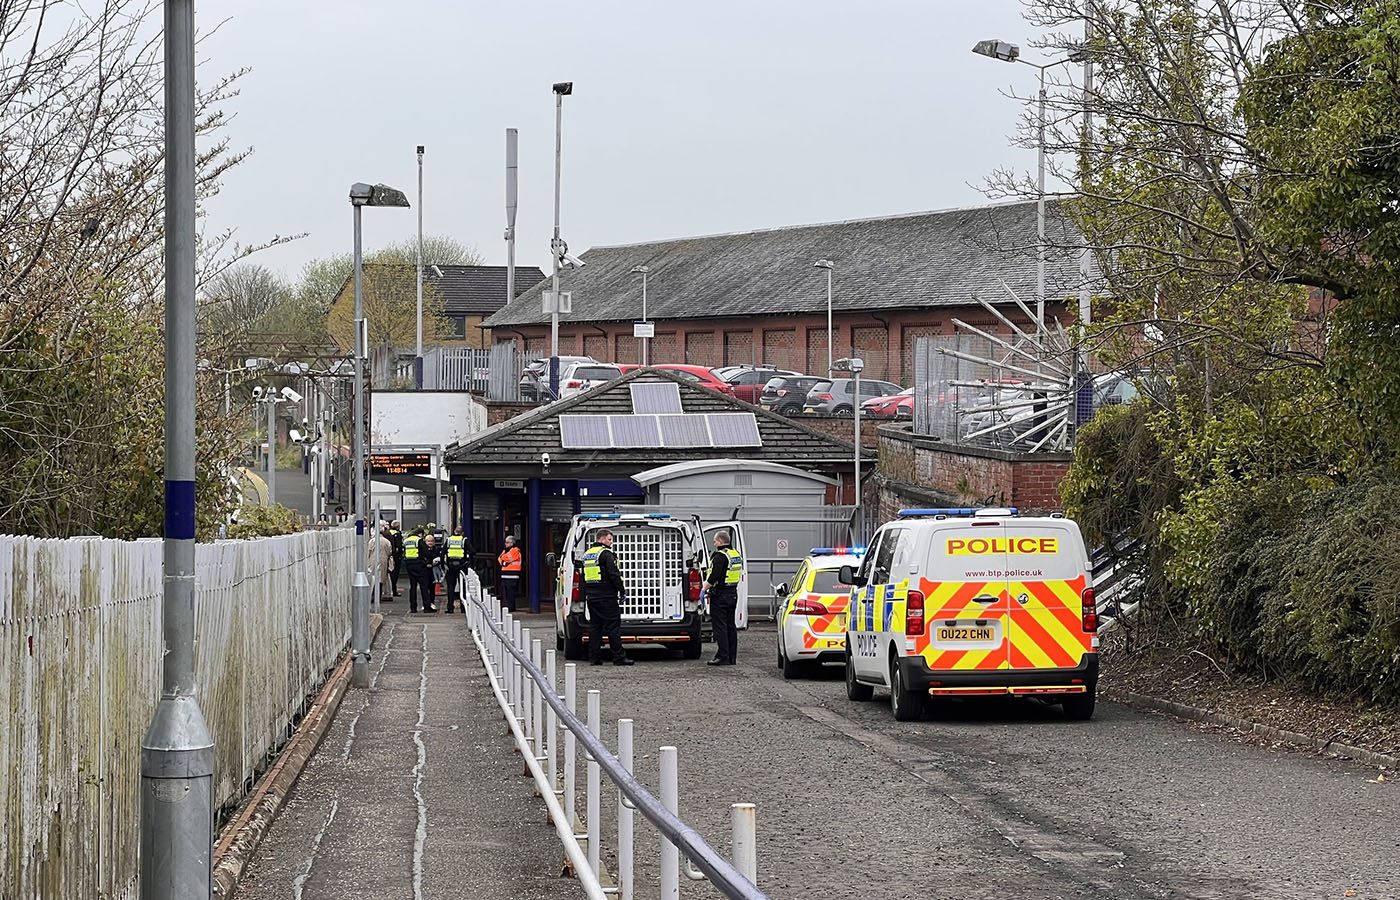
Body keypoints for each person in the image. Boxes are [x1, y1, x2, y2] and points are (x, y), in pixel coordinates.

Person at [581, 529, 632, 666]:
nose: (611, 543)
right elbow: (614, 574)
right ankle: (619, 658)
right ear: (602, 539)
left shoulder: (588, 555)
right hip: (607, 596)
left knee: (595, 627)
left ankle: (594, 658)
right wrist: (622, 591)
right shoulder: (606, 554)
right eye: (609, 539)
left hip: (592, 597)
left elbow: (583, 577)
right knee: (613, 627)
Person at [706, 530, 743, 666]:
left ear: (720, 542)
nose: (714, 543)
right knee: (730, 626)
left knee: (720, 627)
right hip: (732, 594)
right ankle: (731, 657)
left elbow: (714, 576)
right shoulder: (736, 555)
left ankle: (722, 656)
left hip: (720, 595)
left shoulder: (720, 557)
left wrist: (704, 590)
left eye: (715, 541)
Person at [404, 528, 437, 613]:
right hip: (419, 565)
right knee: (424, 587)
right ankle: (427, 607)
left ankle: (413, 608)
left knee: (413, 587)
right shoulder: (419, 540)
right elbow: (426, 552)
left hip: (409, 565)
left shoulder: (406, 540)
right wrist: (429, 561)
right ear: (420, 534)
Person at [444, 525, 473, 614]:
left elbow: (443, 553)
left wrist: (444, 565)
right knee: (463, 588)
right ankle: (463, 608)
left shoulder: (449, 540)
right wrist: (468, 561)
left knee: (450, 588)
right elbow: (472, 551)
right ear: (462, 533)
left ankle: (450, 608)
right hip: (462, 567)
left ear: (454, 531)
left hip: (451, 567)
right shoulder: (464, 540)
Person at [498, 535, 522, 612]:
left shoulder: (515, 550)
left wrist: (503, 560)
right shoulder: (505, 550)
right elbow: (499, 558)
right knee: (507, 591)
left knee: (511, 591)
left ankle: (511, 606)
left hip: (513, 574)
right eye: (505, 542)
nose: (506, 544)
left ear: (512, 543)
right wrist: (503, 562)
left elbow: (506, 558)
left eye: (507, 542)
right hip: (505, 574)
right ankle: (509, 605)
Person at [371, 524, 393, 602]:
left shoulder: (372, 541)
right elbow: (390, 551)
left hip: (372, 560)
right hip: (384, 560)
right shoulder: (386, 541)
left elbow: (368, 551)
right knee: (381, 579)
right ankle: (379, 596)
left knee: (373, 578)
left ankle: (373, 595)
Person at [388, 520, 404, 597]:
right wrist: (400, 555)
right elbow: (399, 546)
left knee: (390, 574)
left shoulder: (388, 532)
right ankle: (394, 590)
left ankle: (390, 589)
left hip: (390, 555)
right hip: (396, 556)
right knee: (395, 574)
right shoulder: (397, 534)